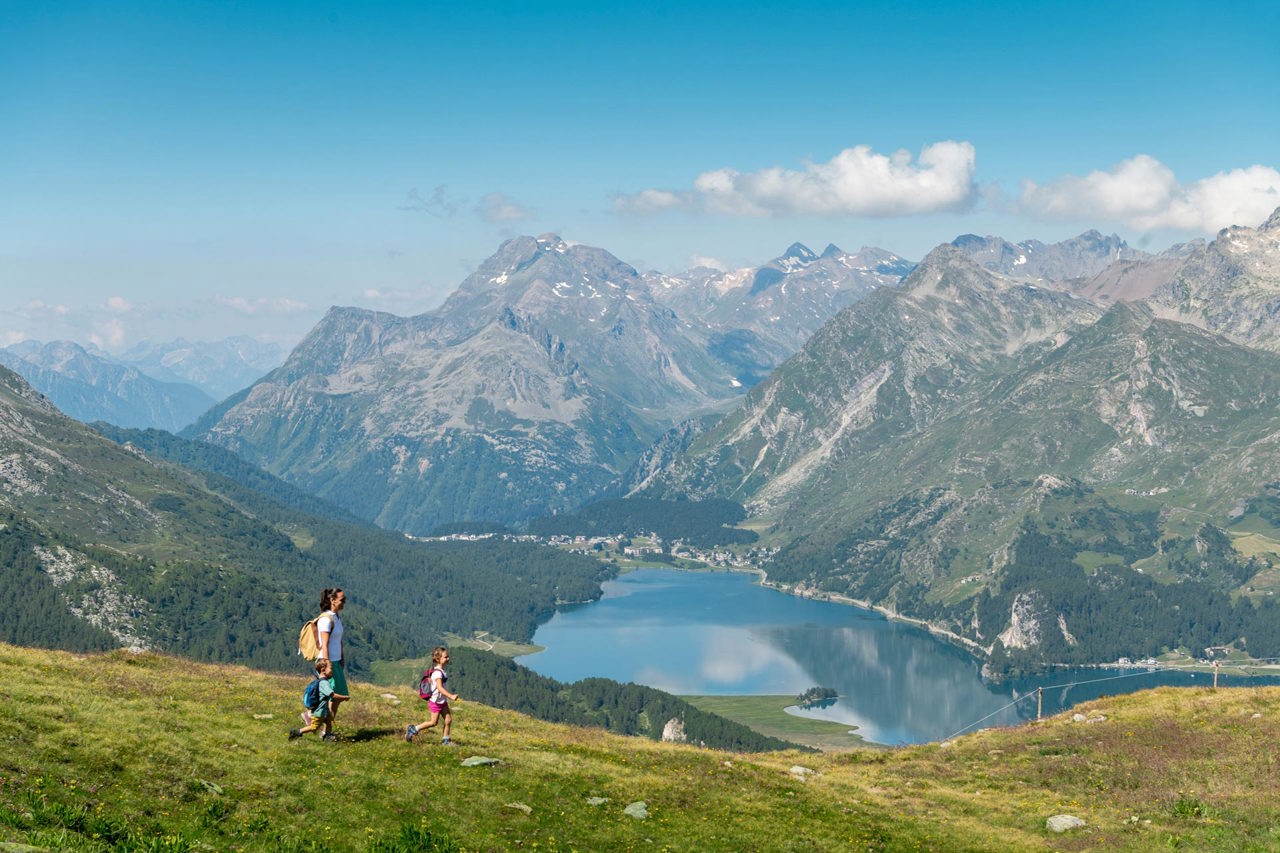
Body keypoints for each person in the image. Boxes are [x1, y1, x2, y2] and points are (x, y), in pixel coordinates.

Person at [405, 647, 461, 746]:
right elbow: (439, 688)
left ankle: (446, 741)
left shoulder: (441, 671)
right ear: (438, 659)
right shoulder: (438, 673)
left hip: (442, 701)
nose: (448, 658)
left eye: (448, 656)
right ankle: (413, 729)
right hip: (436, 702)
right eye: (446, 657)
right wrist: (451, 696)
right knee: (433, 722)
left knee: (448, 719)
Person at [316, 588, 349, 735]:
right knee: (332, 696)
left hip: (336, 661)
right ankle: (325, 730)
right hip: (328, 662)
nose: (344, 602)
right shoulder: (326, 619)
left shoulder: (337, 618)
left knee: (337, 697)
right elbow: (324, 644)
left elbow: (338, 641)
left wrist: (342, 658)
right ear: (332, 600)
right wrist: (327, 664)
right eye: (342, 600)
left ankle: (324, 727)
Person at [289, 658, 336, 740]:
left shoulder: (321, 681)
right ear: (323, 670)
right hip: (319, 711)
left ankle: (327, 737)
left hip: (323, 710)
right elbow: (332, 694)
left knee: (328, 722)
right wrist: (344, 697)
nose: (333, 670)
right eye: (331, 668)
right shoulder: (323, 683)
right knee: (314, 727)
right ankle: (297, 732)